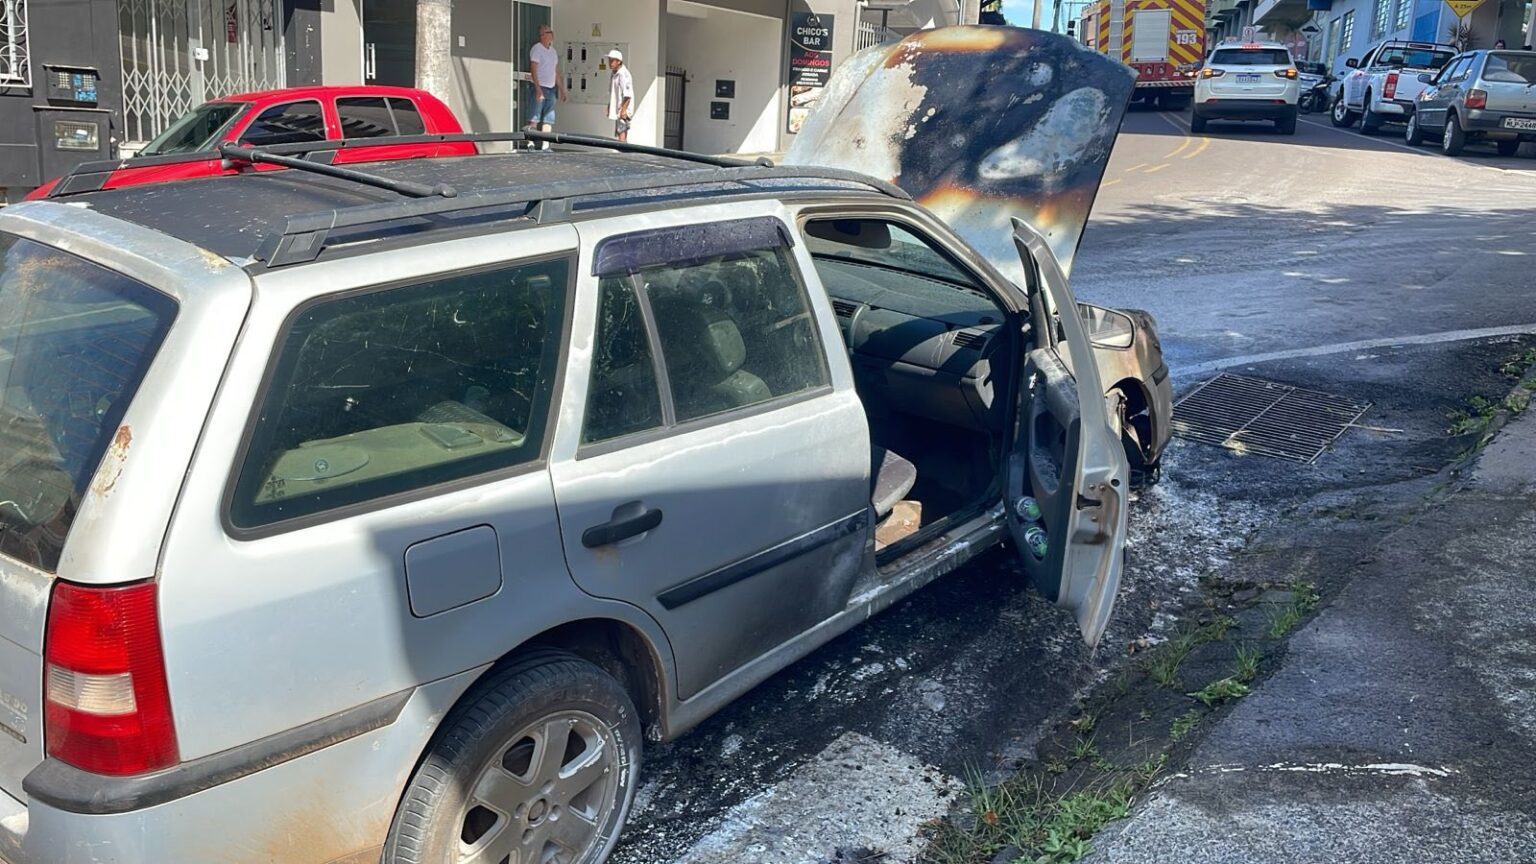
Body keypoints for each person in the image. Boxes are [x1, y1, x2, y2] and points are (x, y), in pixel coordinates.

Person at [527, 25, 566, 133]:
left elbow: (556, 72)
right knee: (535, 117)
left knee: (549, 119)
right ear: (542, 35)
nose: (552, 34)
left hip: (551, 89)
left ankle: (545, 146)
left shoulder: (553, 52)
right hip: (539, 88)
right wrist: (538, 89)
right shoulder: (537, 49)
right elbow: (533, 70)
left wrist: (562, 90)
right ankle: (531, 145)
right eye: (549, 32)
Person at [606, 49, 634, 142]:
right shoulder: (614, 73)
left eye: (612, 61)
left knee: (622, 129)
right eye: (609, 60)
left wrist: (624, 110)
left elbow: (628, 95)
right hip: (619, 107)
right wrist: (609, 105)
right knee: (619, 131)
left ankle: (622, 153)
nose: (610, 63)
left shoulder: (623, 74)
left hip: (623, 108)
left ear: (619, 61)